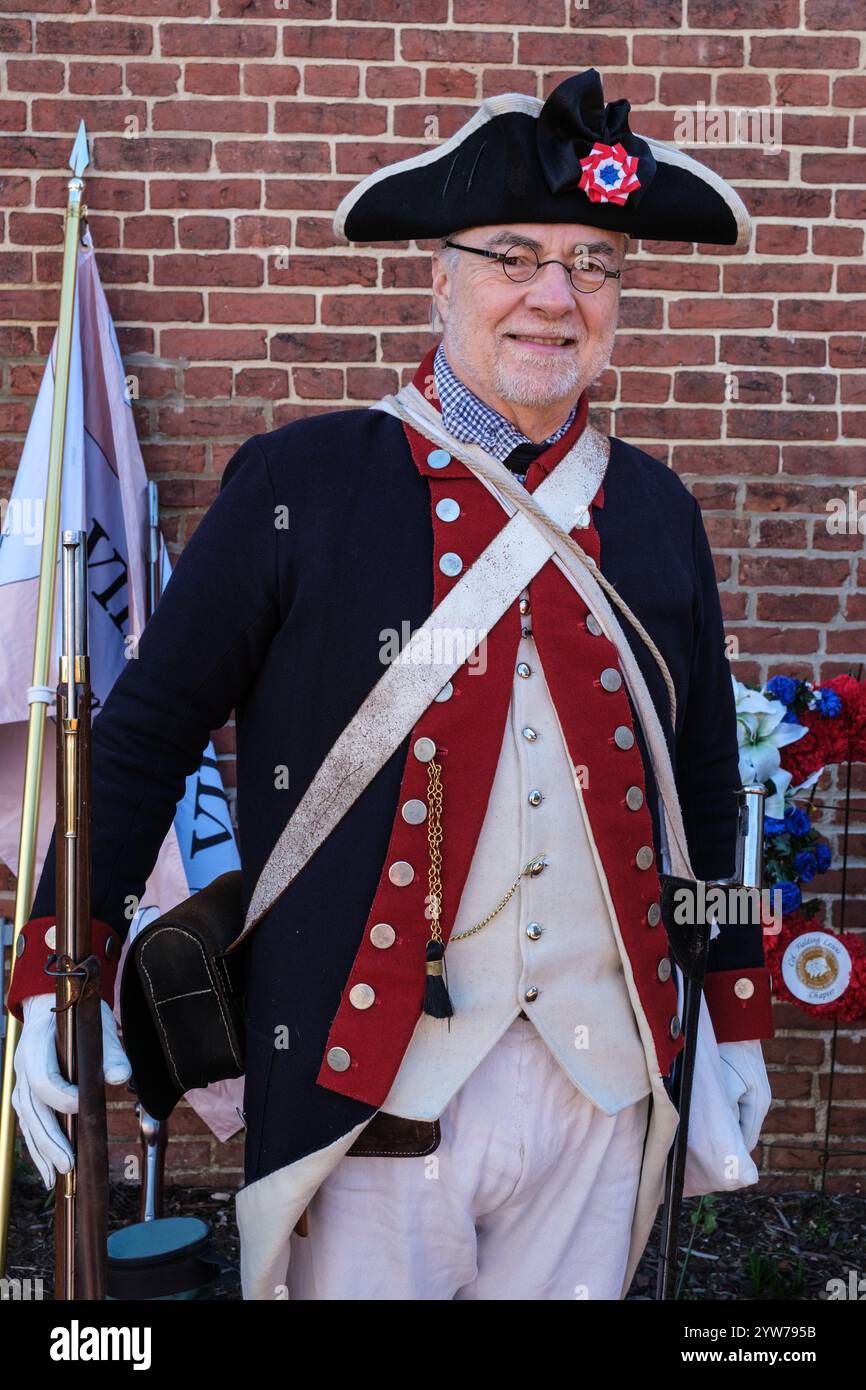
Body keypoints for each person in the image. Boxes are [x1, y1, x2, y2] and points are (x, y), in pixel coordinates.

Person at [8, 68, 773, 1301]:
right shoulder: (297, 479)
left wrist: (732, 1017)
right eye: (513, 255)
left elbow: (704, 795)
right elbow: (143, 738)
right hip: (362, 1102)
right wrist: (53, 971)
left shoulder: (654, 510)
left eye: (593, 262)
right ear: (441, 275)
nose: (551, 295)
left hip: (604, 1092)